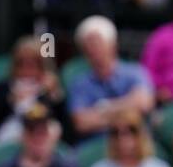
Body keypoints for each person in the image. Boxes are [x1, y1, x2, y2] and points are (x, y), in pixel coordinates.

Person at [66, 15, 155, 144]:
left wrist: (103, 108)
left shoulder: (135, 72)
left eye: (97, 43)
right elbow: (81, 123)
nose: (93, 49)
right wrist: (127, 110)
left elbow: (144, 103)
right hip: (96, 145)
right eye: (87, 45)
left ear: (113, 44)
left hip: (136, 144)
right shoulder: (79, 83)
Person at [0, 35, 69, 146]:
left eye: (33, 65)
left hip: (42, 147)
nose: (26, 70)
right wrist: (11, 100)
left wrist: (51, 95)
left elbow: (62, 125)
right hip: (6, 146)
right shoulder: (2, 88)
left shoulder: (50, 91)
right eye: (21, 64)